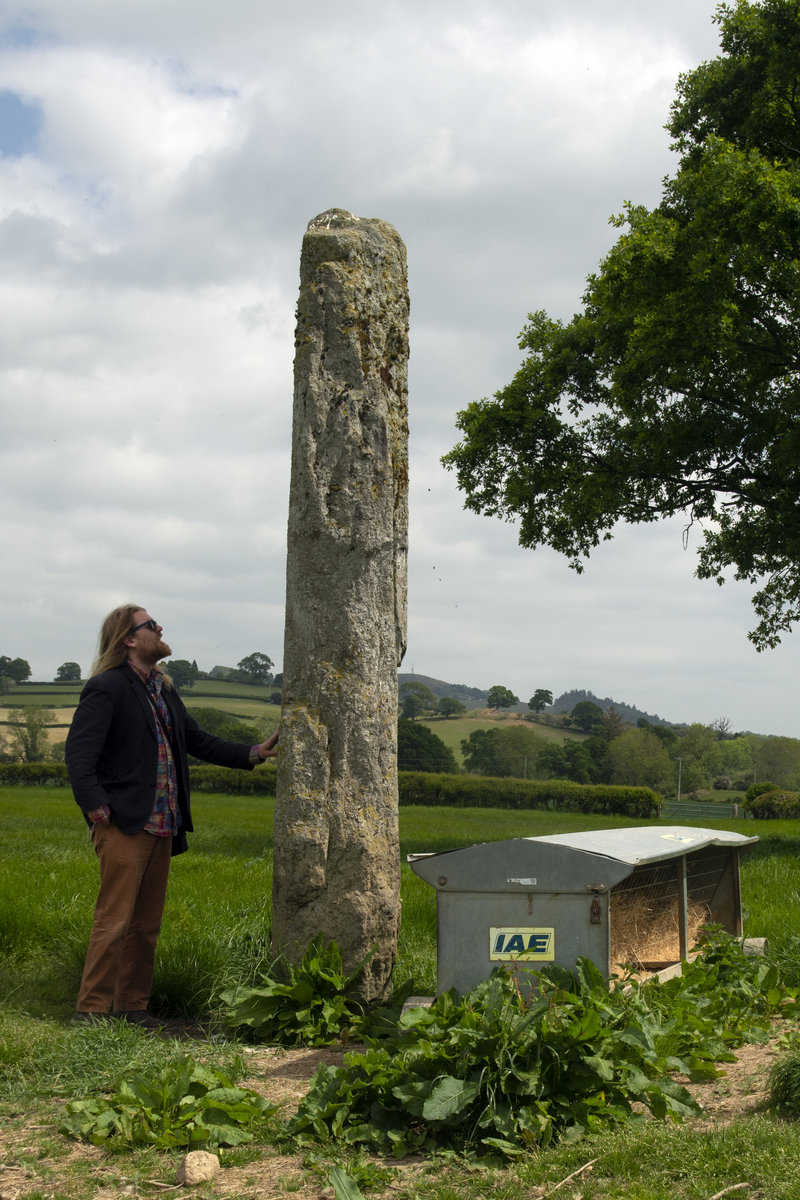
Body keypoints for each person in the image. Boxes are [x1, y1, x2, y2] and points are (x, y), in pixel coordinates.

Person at [65, 604, 278, 1028]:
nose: (160, 628)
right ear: (129, 639)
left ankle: (132, 1007)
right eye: (150, 625)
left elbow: (196, 739)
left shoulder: (162, 689)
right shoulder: (107, 687)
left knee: (145, 924)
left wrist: (253, 753)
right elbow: (79, 755)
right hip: (124, 822)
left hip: (163, 824)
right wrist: (97, 809)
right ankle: (90, 1010)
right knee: (114, 919)